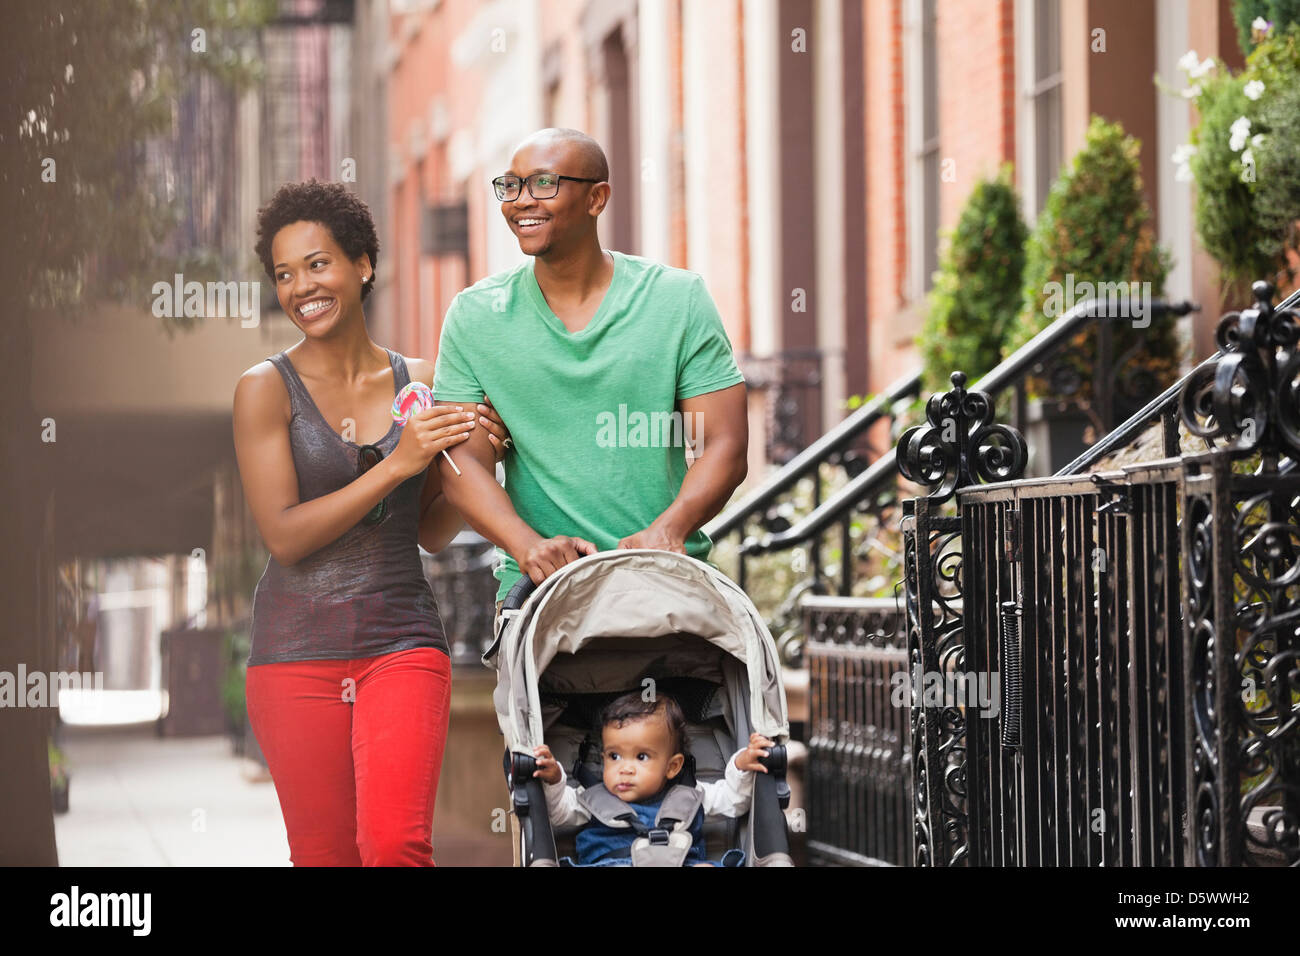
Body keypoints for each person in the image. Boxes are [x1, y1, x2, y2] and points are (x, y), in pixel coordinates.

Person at [232, 179, 512, 866]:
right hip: (294, 653)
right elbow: (285, 536)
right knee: (324, 853)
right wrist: (395, 464)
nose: (301, 287)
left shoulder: (421, 380)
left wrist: (481, 458)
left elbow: (429, 531)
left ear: (362, 264)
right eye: (284, 274)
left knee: (395, 844)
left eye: (317, 264)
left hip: (401, 640)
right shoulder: (264, 390)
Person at [429, 128, 749, 637]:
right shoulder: (475, 316)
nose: (521, 200)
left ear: (597, 198)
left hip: (666, 584)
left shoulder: (677, 299)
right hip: (538, 596)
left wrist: (667, 530)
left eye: (544, 183)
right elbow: (460, 462)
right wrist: (527, 546)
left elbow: (725, 444)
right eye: (511, 185)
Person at [530, 692, 773, 866]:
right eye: (614, 756)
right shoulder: (592, 799)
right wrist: (554, 779)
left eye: (641, 757)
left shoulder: (690, 796)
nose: (625, 769)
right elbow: (558, 812)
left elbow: (732, 800)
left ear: (672, 766)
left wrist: (742, 764)